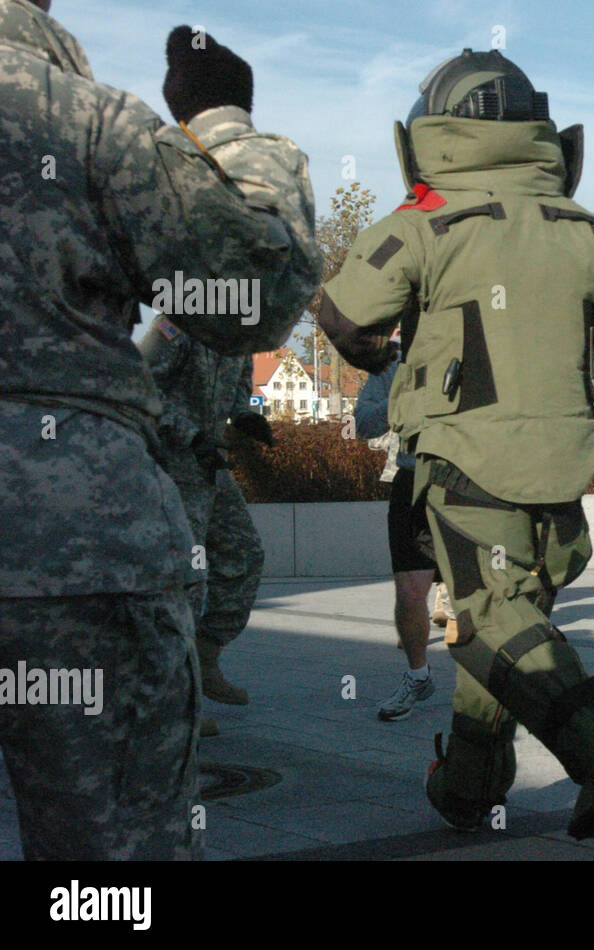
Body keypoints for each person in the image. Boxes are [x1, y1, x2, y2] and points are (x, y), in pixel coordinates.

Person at [318, 48, 594, 860]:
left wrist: (398, 352)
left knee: (480, 623)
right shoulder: (584, 226)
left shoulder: (425, 222)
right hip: (562, 458)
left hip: (467, 453)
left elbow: (341, 316)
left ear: (433, 131)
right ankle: (468, 791)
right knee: (512, 616)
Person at [0, 2, 322, 860]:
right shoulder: (82, 118)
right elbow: (255, 282)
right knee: (111, 869)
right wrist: (220, 118)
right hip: (65, 537)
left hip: (109, 506)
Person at [138, 328, 269, 738]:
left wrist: (245, 416)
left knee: (244, 556)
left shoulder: (241, 332)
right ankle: (175, 707)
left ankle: (207, 655)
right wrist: (190, 435)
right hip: (170, 465)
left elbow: (240, 390)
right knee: (185, 584)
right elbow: (140, 389)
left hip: (209, 466)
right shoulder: (176, 325)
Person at [354, 348, 456, 722]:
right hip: (412, 482)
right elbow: (363, 422)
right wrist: (400, 402)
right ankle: (417, 676)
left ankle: (486, 690)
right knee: (410, 593)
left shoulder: (477, 345)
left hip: (466, 482)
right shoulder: (391, 364)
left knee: (476, 593)